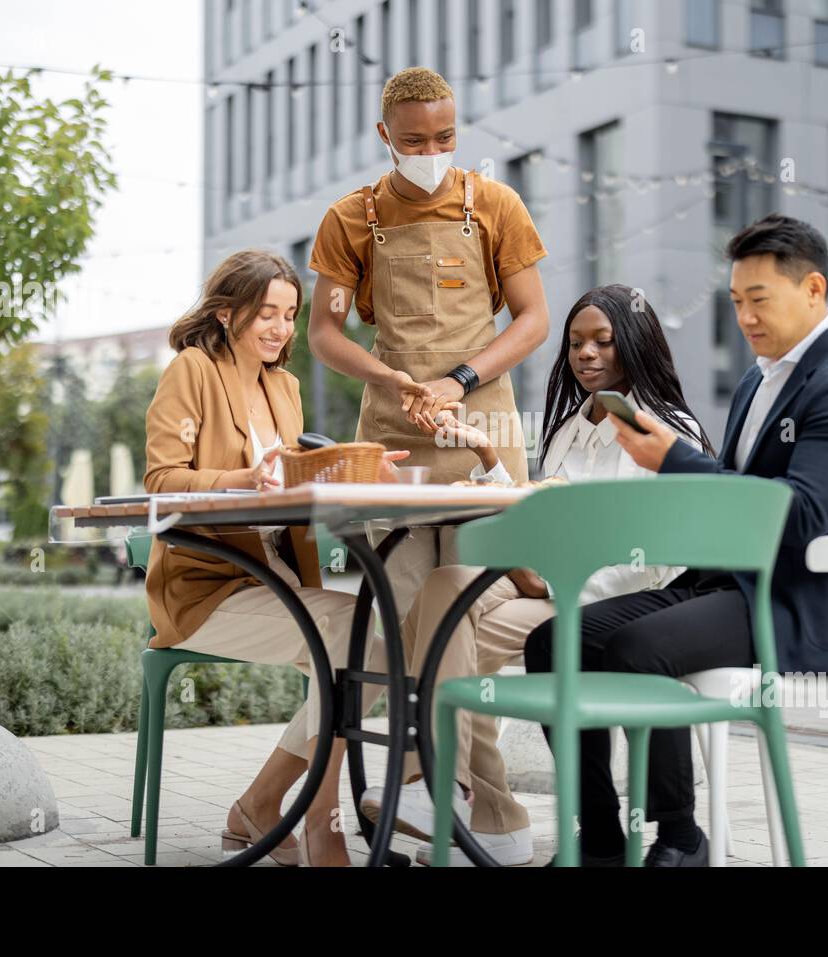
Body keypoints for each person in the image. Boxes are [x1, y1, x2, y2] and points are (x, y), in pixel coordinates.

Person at [525, 214, 828, 867]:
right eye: (736, 302)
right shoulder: (758, 379)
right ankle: (605, 836)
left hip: (793, 599)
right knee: (553, 640)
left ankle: (680, 835)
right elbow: (731, 491)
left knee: (638, 649)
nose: (746, 318)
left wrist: (673, 459)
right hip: (726, 580)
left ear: (813, 290)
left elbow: (798, 514)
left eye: (761, 300)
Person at [359, 284, 713, 865]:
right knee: (445, 590)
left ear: (636, 343)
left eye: (604, 341)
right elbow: (540, 508)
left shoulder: (666, 430)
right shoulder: (570, 427)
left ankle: (455, 792)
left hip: (607, 603)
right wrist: (488, 459)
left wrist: (549, 582)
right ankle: (450, 791)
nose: (587, 354)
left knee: (438, 630)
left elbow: (657, 562)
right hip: (548, 588)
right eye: (576, 343)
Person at [143, 249, 407, 867]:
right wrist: (241, 479)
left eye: (290, 315)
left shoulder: (283, 386)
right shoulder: (192, 370)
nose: (280, 328)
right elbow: (162, 480)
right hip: (208, 587)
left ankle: (262, 804)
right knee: (359, 636)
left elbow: (285, 477)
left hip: (278, 577)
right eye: (266, 313)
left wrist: (346, 467)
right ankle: (321, 819)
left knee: (368, 639)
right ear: (229, 310)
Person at [306, 66, 549, 622]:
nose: (431, 151)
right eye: (414, 141)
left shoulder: (496, 205)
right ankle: (412, 712)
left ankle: (464, 712)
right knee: (404, 608)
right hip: (398, 435)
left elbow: (533, 320)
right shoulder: (349, 220)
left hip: (483, 429)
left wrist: (458, 380)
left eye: (446, 137)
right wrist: (388, 378)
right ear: (384, 134)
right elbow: (323, 331)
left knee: (474, 607)